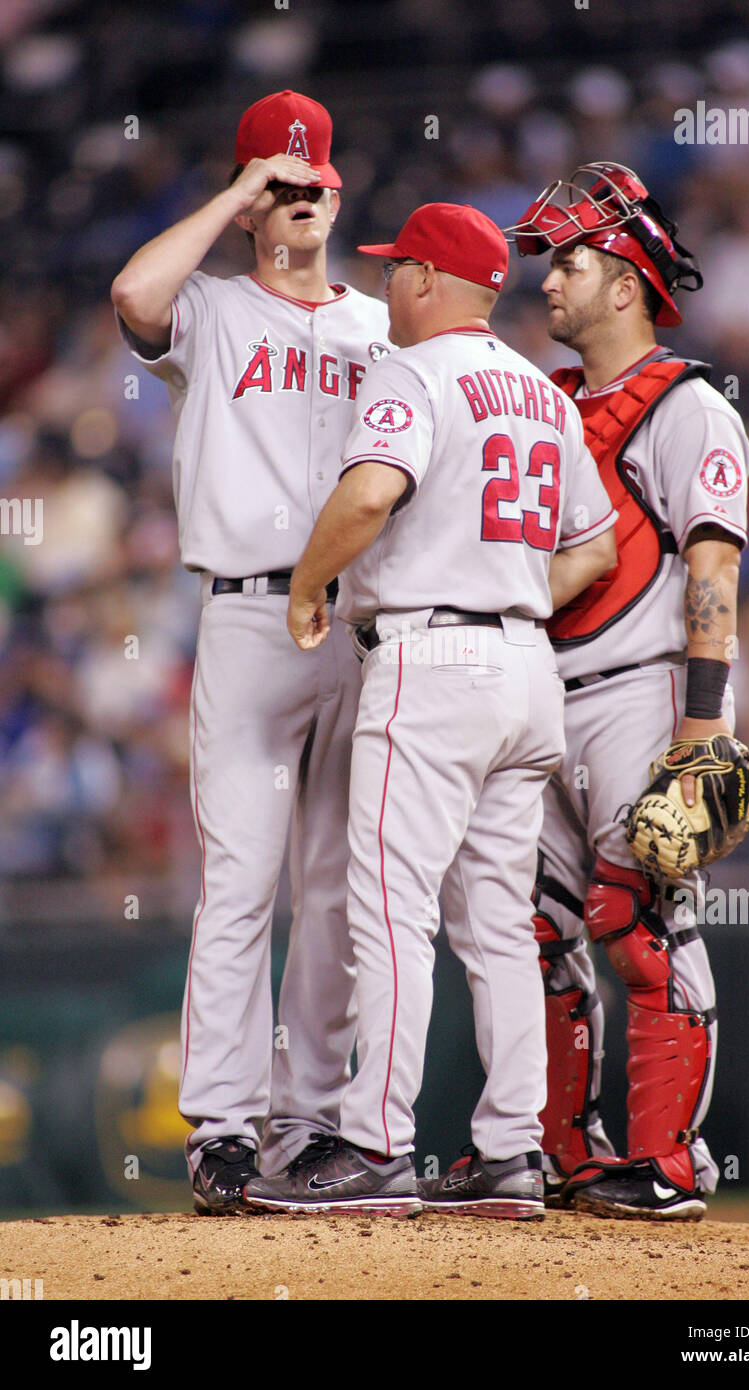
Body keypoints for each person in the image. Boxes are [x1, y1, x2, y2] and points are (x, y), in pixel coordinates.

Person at [243, 202, 617, 1219]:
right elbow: (595, 546)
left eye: (396, 267)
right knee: (496, 922)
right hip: (524, 668)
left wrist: (309, 584)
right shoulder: (541, 393)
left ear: (421, 277)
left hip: (431, 662)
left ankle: (372, 1145)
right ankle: (508, 1156)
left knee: (392, 912)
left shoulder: (411, 372)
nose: (387, 284)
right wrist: (509, 576)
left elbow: (369, 495)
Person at [110, 90, 391, 1213]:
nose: (302, 198)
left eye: (313, 181)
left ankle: (311, 1122)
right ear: (246, 204)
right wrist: (234, 189)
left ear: (335, 191)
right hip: (245, 614)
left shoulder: (378, 326)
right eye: (280, 185)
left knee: (331, 887)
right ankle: (222, 1127)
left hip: (361, 623)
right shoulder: (215, 311)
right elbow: (132, 292)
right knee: (239, 881)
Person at [506, 162, 749, 1220]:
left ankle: (667, 1161)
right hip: (538, 693)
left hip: (641, 690)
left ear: (626, 282)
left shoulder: (688, 405)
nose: (548, 277)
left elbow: (713, 571)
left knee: (637, 921)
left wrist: (700, 727)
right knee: (538, 931)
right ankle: (571, 1157)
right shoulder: (546, 403)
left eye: (569, 257)